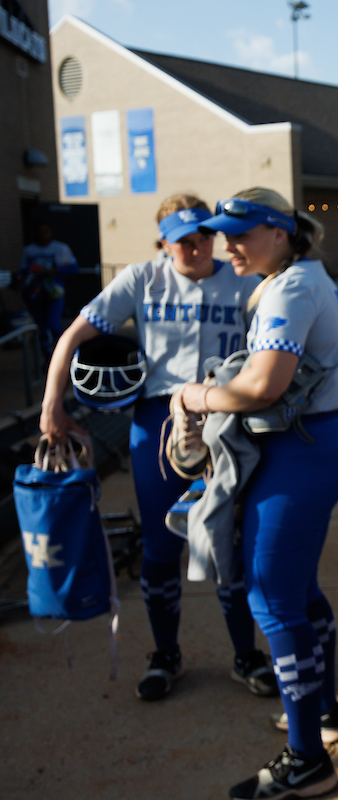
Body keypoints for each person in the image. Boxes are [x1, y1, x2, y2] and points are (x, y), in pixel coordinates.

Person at [39, 194, 271, 702]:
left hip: (226, 420)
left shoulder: (243, 279)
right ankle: (166, 653)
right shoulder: (144, 278)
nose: (196, 247)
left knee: (228, 544)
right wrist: (52, 402)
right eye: (184, 239)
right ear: (162, 241)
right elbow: (72, 335)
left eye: (203, 236)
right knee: (162, 548)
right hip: (159, 420)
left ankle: (245, 654)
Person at [187, 189, 338, 799]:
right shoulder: (297, 276)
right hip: (312, 442)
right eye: (223, 233)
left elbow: (263, 386)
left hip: (301, 449)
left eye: (241, 232)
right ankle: (327, 711)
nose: (227, 244)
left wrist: (195, 397)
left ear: (280, 232)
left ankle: (308, 758)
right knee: (298, 592)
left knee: (272, 598)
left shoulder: (290, 285)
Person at [20, 222, 80, 356]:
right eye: (40, 231)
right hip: (36, 292)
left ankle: (62, 354)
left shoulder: (60, 248)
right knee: (40, 327)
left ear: (50, 232)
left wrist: (52, 270)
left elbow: (73, 268)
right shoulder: (29, 250)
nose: (43, 235)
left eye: (46, 231)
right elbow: (23, 270)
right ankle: (47, 357)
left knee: (53, 325)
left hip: (54, 291)